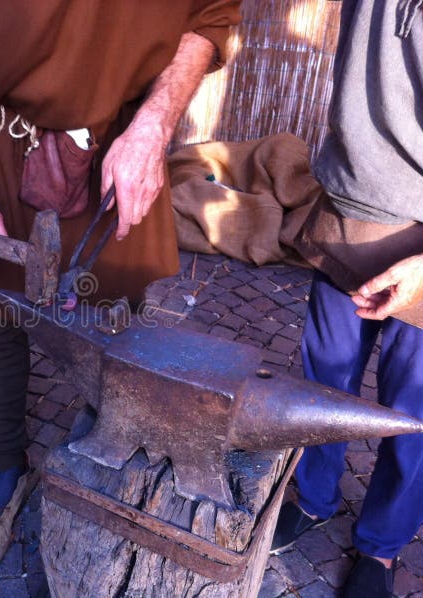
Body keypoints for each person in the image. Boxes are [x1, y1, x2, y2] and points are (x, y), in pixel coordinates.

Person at [0, 0, 241, 566]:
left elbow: (206, 17)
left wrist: (155, 126)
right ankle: (6, 460)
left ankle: (106, 451)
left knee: (115, 308)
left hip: (120, 138)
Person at [271, 1, 423, 596]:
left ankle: (381, 547)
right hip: (348, 213)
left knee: (412, 414)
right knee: (322, 381)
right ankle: (313, 498)